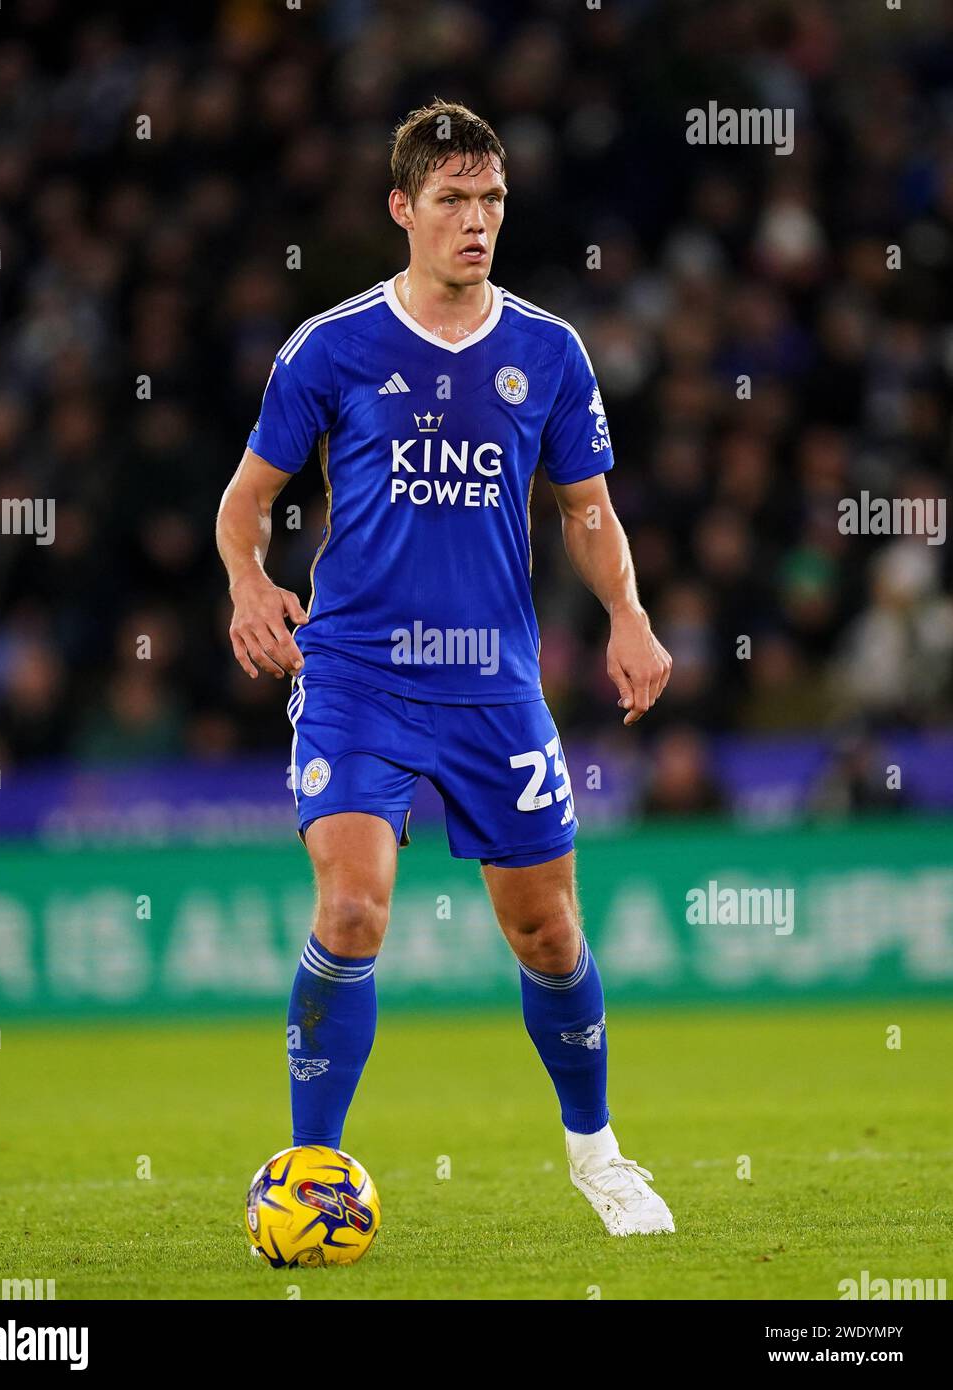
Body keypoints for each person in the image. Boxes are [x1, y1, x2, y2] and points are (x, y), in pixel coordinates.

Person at [216, 100, 674, 1236]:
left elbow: (586, 509)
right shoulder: (331, 347)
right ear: (402, 209)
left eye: (491, 201)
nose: (476, 223)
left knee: (548, 934)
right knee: (355, 906)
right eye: (452, 201)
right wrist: (247, 582)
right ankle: (311, 1169)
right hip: (359, 677)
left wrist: (625, 611)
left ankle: (595, 1153)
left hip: (494, 684)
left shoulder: (548, 351)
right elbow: (246, 503)